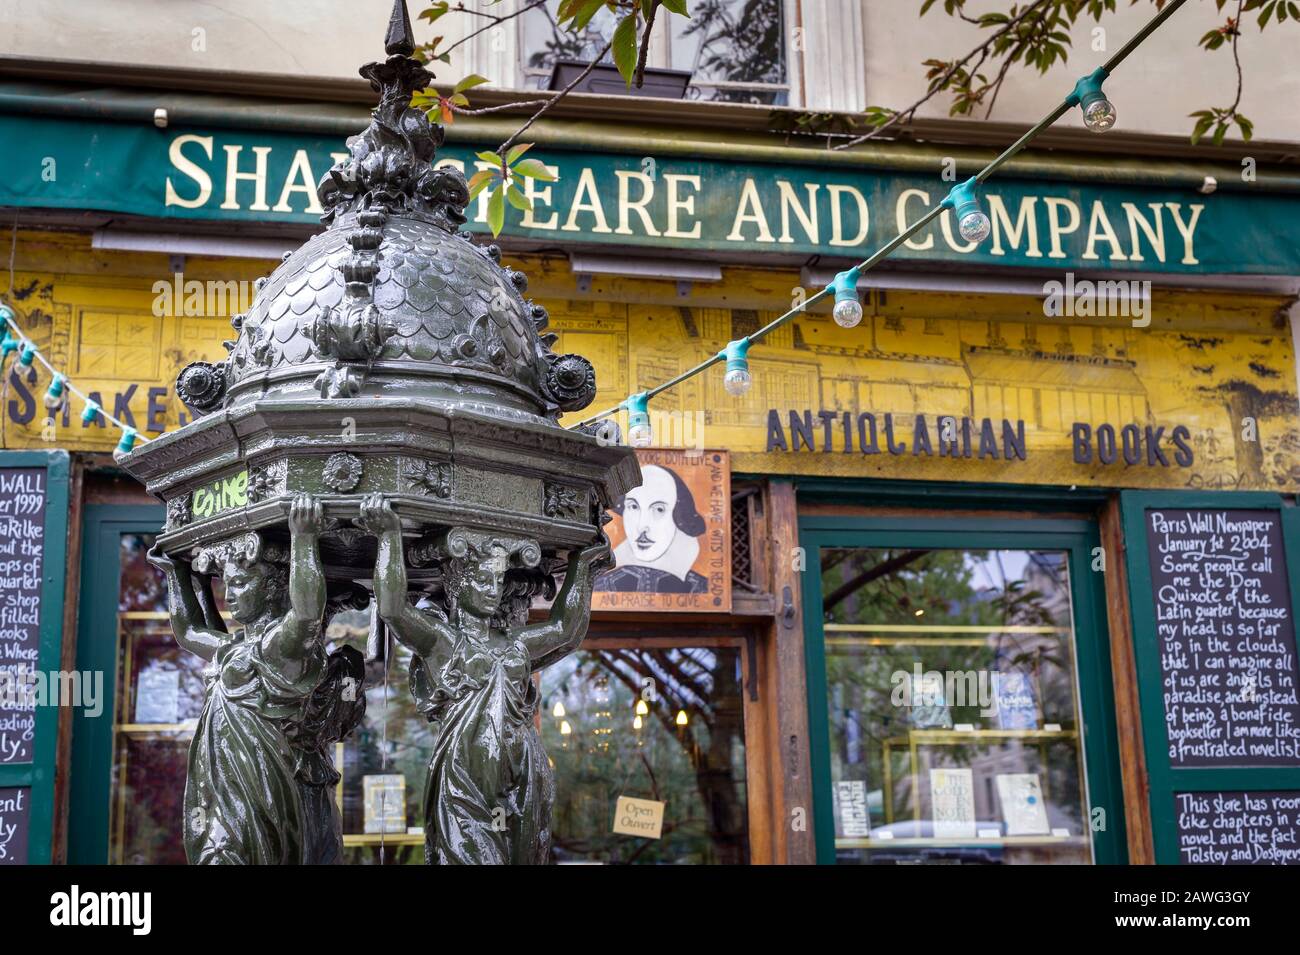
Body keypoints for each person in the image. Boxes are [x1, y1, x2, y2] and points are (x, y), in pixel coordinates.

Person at [359, 493, 610, 865]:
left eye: (497, 580)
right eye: (483, 580)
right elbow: (394, 607)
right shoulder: (444, 642)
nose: (493, 590)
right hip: (465, 781)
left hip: (524, 769)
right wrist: (388, 536)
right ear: (459, 585)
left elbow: (566, 630)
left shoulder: (515, 644)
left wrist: (585, 566)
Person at [148, 494, 327, 865]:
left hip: (255, 780)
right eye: (226, 585)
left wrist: (304, 540)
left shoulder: (278, 648)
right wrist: (177, 573)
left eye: (242, 583)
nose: (229, 595)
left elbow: (308, 614)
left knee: (244, 852)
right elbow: (189, 630)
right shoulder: (236, 647)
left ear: (276, 587)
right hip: (219, 779)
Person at [597, 464, 708, 594]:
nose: (642, 526)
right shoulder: (600, 585)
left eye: (659, 509)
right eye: (633, 506)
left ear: (679, 516)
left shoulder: (699, 587)